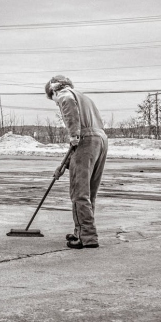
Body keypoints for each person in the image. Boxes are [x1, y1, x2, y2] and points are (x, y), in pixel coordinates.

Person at [45, 75, 108, 249]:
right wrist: (64, 166)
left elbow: (77, 132)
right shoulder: (83, 96)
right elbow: (79, 145)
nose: (55, 101)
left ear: (54, 90)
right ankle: (81, 231)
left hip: (87, 139)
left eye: (52, 98)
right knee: (89, 191)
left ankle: (86, 237)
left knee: (79, 192)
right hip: (100, 139)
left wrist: (74, 134)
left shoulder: (64, 94)